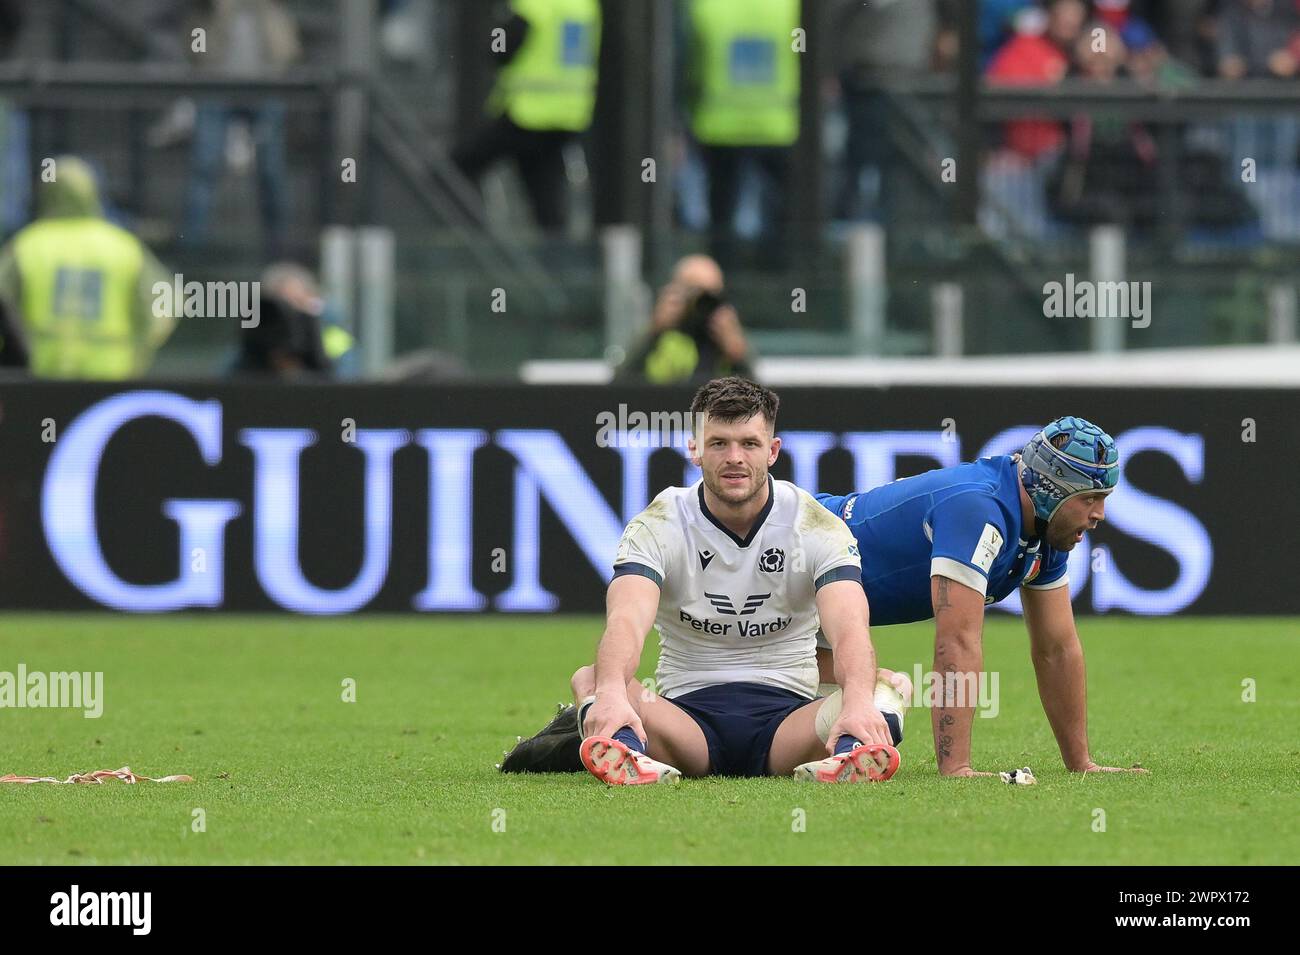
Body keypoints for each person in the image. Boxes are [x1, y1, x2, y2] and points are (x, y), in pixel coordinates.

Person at [503, 416, 1145, 779]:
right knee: (847, 684)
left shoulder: (1045, 532)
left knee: (884, 683)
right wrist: (957, 770)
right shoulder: (980, 510)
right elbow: (956, 643)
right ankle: (602, 701)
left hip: (814, 612)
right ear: (1054, 489)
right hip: (780, 576)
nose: (1100, 515)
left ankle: (593, 717)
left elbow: (1057, 649)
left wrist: (1081, 765)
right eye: (1093, 498)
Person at [572, 377, 904, 785]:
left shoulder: (817, 525)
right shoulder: (659, 523)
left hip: (789, 725)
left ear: (772, 451)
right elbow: (625, 620)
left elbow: (850, 628)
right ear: (694, 450)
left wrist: (855, 704)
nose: (734, 458)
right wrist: (610, 692)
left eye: (748, 443)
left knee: (884, 687)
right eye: (718, 443)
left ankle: (849, 753)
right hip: (685, 725)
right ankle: (627, 749)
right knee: (593, 679)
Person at [0, 156, 175, 379]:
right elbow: (165, 305)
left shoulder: (27, 245)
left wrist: (11, 356)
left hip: (40, 372)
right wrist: (139, 350)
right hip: (111, 374)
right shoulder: (123, 246)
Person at [452, 0, 601, 232]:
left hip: (528, 113)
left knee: (456, 168)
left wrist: (498, 27)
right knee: (547, 203)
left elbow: (501, 51)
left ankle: (471, 240)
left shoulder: (536, 4)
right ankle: (554, 261)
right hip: (568, 114)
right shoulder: (584, 5)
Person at [683, 0, 800, 267]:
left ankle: (725, 276)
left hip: (721, 126)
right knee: (780, 217)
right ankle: (776, 277)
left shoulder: (707, 7)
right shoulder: (789, 7)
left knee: (722, 217)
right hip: (777, 125)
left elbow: (692, 67)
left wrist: (687, 111)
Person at [181, 0, 301, 256]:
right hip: (215, 88)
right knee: (205, 166)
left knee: (271, 172)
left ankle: (278, 250)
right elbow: (195, 40)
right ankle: (191, 249)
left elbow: (286, 45)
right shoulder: (211, 9)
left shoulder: (270, 10)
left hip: (266, 89)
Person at [616, 254, 752, 385]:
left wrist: (738, 356)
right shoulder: (660, 334)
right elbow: (616, 388)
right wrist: (654, 332)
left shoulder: (727, 337)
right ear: (675, 291)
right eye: (696, 292)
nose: (704, 302)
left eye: (712, 295)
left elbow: (757, 399)